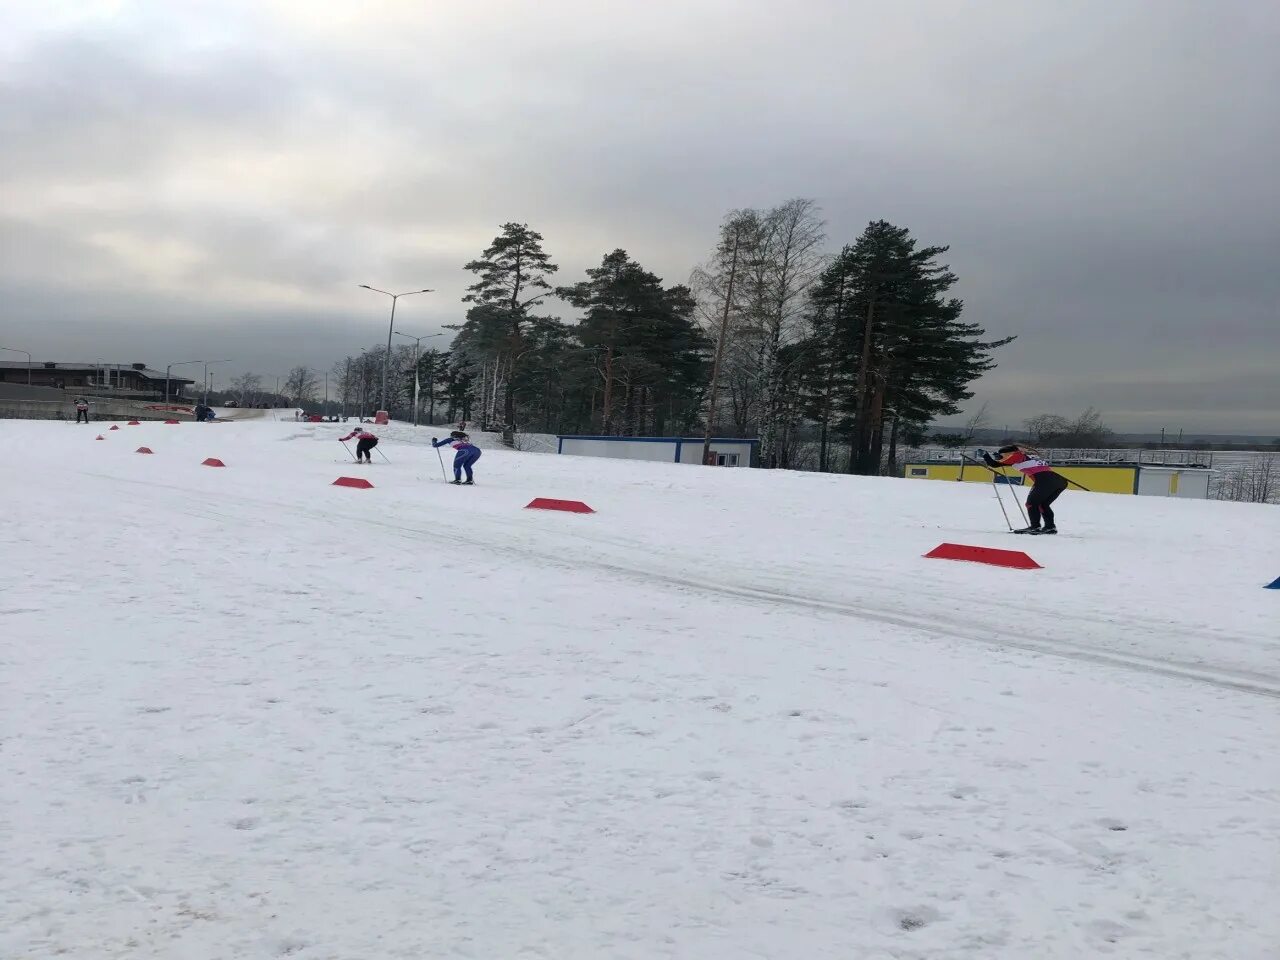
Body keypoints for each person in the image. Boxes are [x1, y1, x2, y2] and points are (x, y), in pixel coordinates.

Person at [980, 444, 1068, 535]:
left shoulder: (1017, 455)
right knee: (1042, 505)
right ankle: (1050, 527)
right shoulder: (1028, 457)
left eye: (1003, 455)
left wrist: (985, 455)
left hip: (1044, 481)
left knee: (1031, 504)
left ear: (1010, 453)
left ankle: (1035, 527)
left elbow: (994, 464)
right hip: (1059, 481)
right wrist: (999, 458)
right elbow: (1005, 462)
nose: (1002, 457)